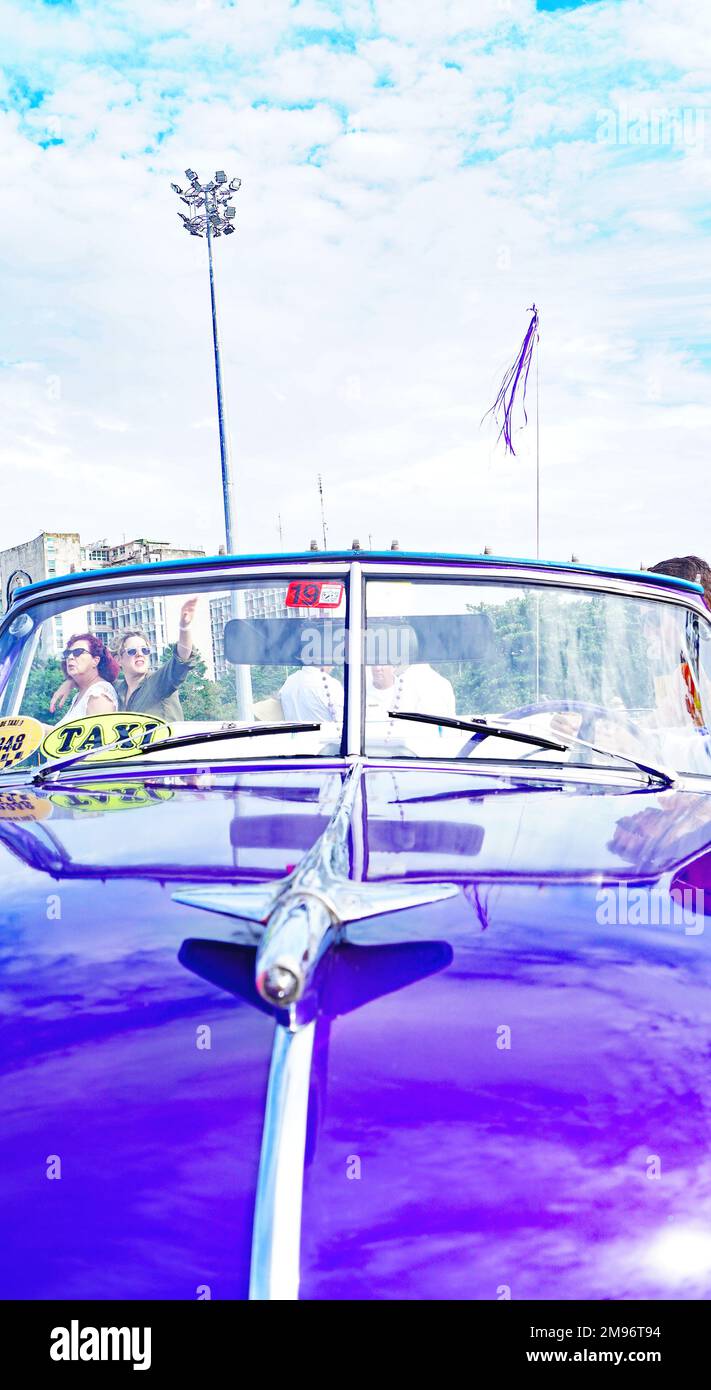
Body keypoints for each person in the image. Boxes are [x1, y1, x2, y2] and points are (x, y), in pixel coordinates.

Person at [51, 597, 199, 722]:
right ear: (119, 659)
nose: (140, 654)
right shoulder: (116, 688)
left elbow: (182, 659)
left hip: (166, 754)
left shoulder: (158, 682)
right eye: (132, 651)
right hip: (136, 757)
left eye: (145, 650)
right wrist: (70, 682)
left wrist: (184, 627)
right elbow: (91, 679)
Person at [58, 633, 119, 720]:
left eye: (78, 652)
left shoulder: (98, 695)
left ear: (95, 660)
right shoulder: (82, 693)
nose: (70, 657)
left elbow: (99, 732)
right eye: (67, 653)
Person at [279, 665, 344, 723]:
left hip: (291, 735)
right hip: (326, 735)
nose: (332, 667)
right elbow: (342, 723)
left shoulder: (288, 682)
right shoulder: (332, 685)